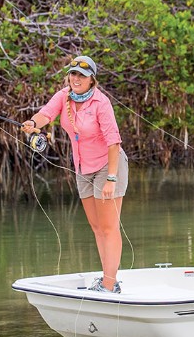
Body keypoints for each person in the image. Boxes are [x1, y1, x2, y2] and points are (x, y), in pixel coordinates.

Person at [22, 55, 128, 293]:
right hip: (83, 168)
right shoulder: (64, 97)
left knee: (109, 227)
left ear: (92, 80)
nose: (76, 78)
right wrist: (32, 122)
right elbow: (46, 114)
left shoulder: (101, 103)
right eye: (73, 74)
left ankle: (109, 284)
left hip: (108, 166)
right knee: (97, 227)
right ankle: (108, 280)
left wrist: (112, 178)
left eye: (82, 75)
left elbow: (114, 142)